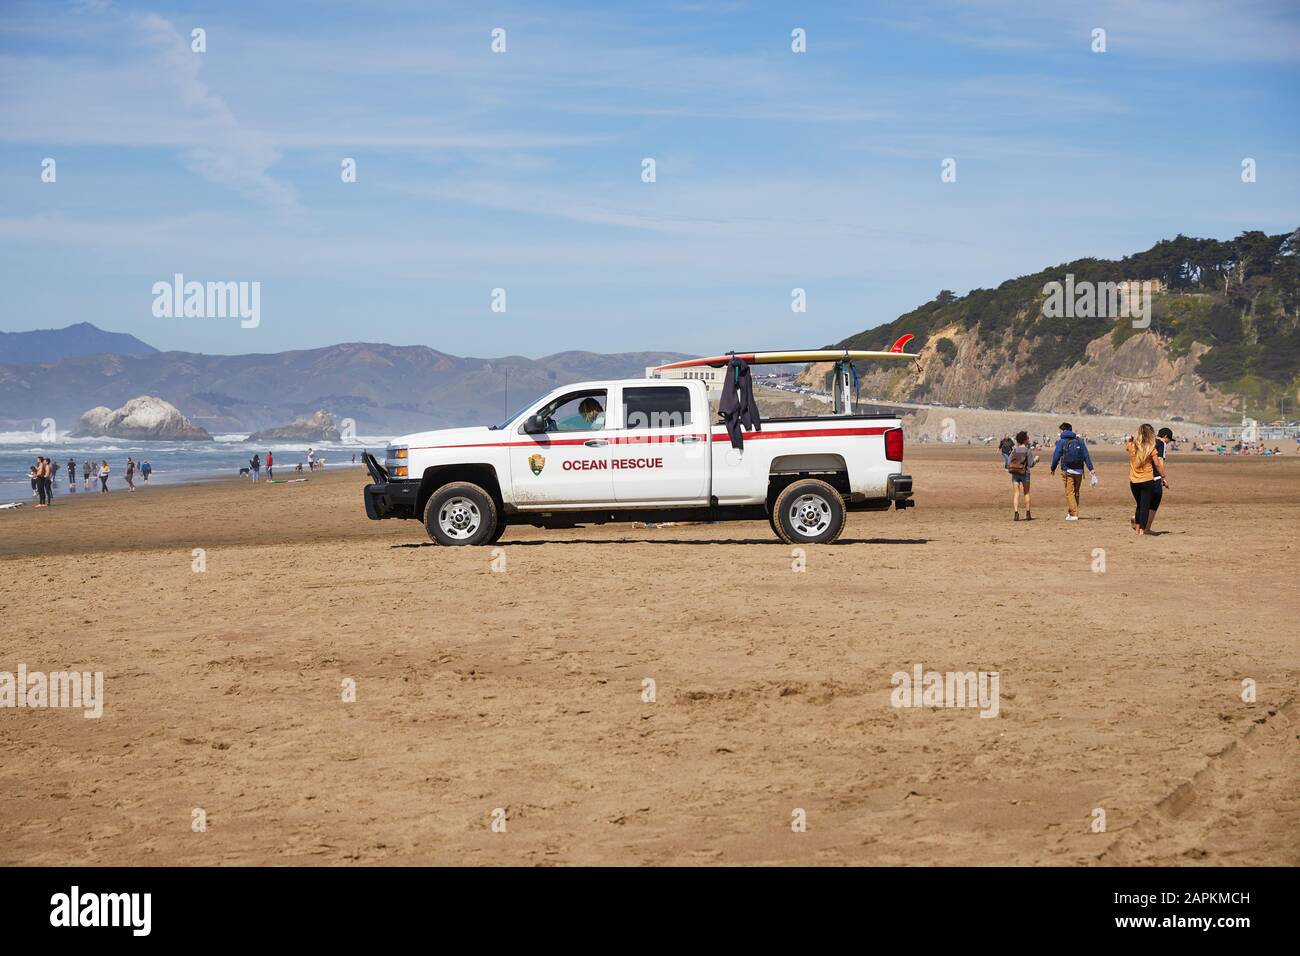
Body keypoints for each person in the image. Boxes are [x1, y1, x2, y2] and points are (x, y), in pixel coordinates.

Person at [1125, 424, 1168, 536]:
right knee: (1145, 506)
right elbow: (1158, 465)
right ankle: (1142, 531)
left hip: (1133, 481)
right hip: (1147, 480)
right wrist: (1163, 476)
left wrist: (1130, 440)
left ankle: (1138, 528)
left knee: (1139, 505)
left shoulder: (1131, 445)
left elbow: (1128, 447)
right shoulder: (1151, 448)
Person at [1050, 422, 1097, 521]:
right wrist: (1091, 468)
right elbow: (1086, 455)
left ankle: (1074, 514)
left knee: (1069, 492)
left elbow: (1056, 456)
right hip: (1079, 470)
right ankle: (1071, 512)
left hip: (1067, 470)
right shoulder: (1079, 440)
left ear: (1064, 430)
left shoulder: (1062, 441)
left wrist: (1053, 468)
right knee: (1076, 492)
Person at [1146, 427, 1175, 532]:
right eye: (1169, 440)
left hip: (1143, 475)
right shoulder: (1162, 444)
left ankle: (1139, 521)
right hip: (1155, 477)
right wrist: (1164, 478)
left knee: (1145, 500)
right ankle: (1147, 528)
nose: (1169, 442)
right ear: (1166, 437)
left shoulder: (1150, 441)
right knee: (1154, 502)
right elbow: (1160, 462)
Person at [1007, 430, 1038, 521]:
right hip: (1025, 474)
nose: (1028, 439)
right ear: (1024, 440)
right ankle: (1028, 514)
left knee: (1016, 493)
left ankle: (1016, 513)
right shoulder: (1027, 450)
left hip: (1015, 473)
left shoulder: (1014, 450)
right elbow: (1031, 464)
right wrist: (1036, 459)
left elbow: (1008, 463)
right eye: (1027, 438)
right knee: (1026, 493)